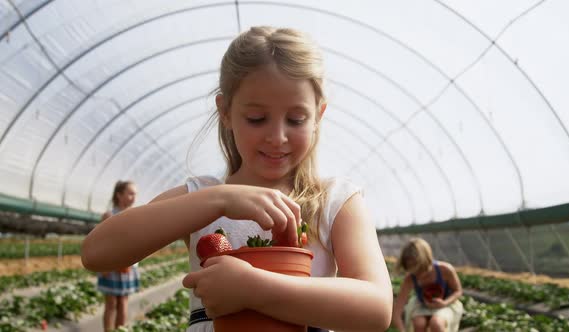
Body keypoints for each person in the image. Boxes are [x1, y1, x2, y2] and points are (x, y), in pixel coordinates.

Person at [81, 26, 392, 332]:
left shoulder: (335, 202)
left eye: (296, 119)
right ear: (225, 111)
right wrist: (219, 199)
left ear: (318, 116)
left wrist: (255, 289)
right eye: (257, 119)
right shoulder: (203, 196)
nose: (277, 137)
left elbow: (376, 309)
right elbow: (97, 252)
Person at [392, 238, 463, 332]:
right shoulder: (410, 278)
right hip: (422, 305)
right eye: (410, 268)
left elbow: (458, 291)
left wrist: (444, 303)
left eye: (419, 268)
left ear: (426, 260)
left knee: (437, 324)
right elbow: (397, 311)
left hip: (446, 304)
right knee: (418, 323)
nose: (417, 273)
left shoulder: (445, 269)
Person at [96, 180, 140, 332]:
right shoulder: (109, 216)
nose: (133, 197)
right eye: (130, 193)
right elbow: (101, 242)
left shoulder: (136, 215)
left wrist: (130, 260)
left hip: (128, 266)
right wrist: (105, 265)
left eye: (135, 194)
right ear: (119, 195)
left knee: (123, 303)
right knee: (111, 304)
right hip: (111, 266)